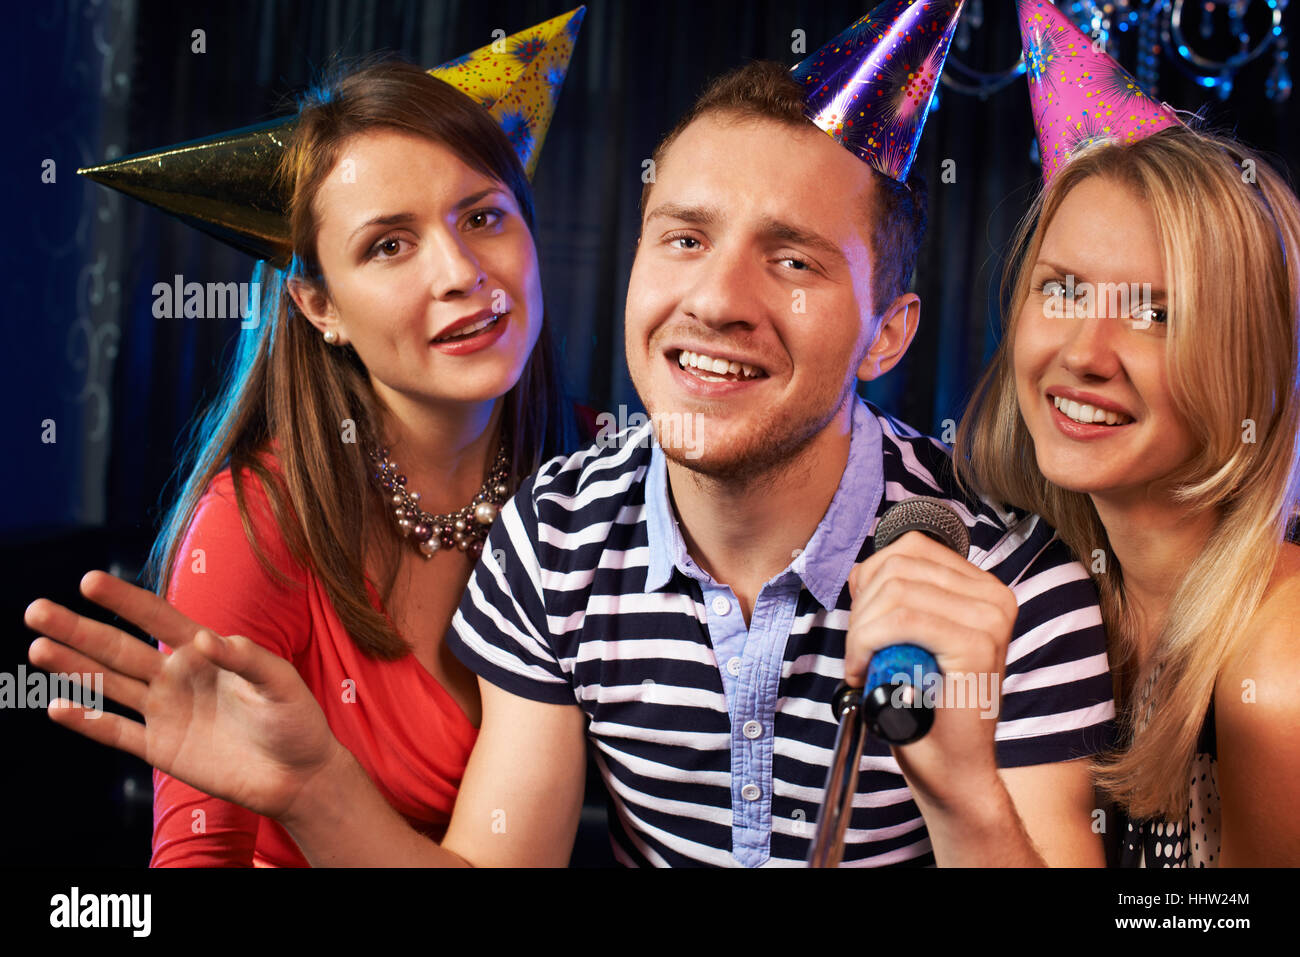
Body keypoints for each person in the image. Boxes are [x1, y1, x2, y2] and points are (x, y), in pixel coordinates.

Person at [27, 6, 1115, 867]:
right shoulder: (550, 537)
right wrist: (313, 790)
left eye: (792, 260)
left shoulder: (1016, 587)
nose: (717, 299)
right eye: (683, 237)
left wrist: (961, 787)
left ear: (887, 334)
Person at [79, 38, 580, 867]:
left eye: (483, 216)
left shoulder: (600, 479)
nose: (461, 271)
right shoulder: (256, 524)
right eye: (389, 244)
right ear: (319, 307)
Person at [954, 2, 1300, 866]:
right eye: (1062, 289)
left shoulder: (1280, 660)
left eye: (1154, 312)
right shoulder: (1048, 586)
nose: (1083, 353)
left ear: (1247, 358)